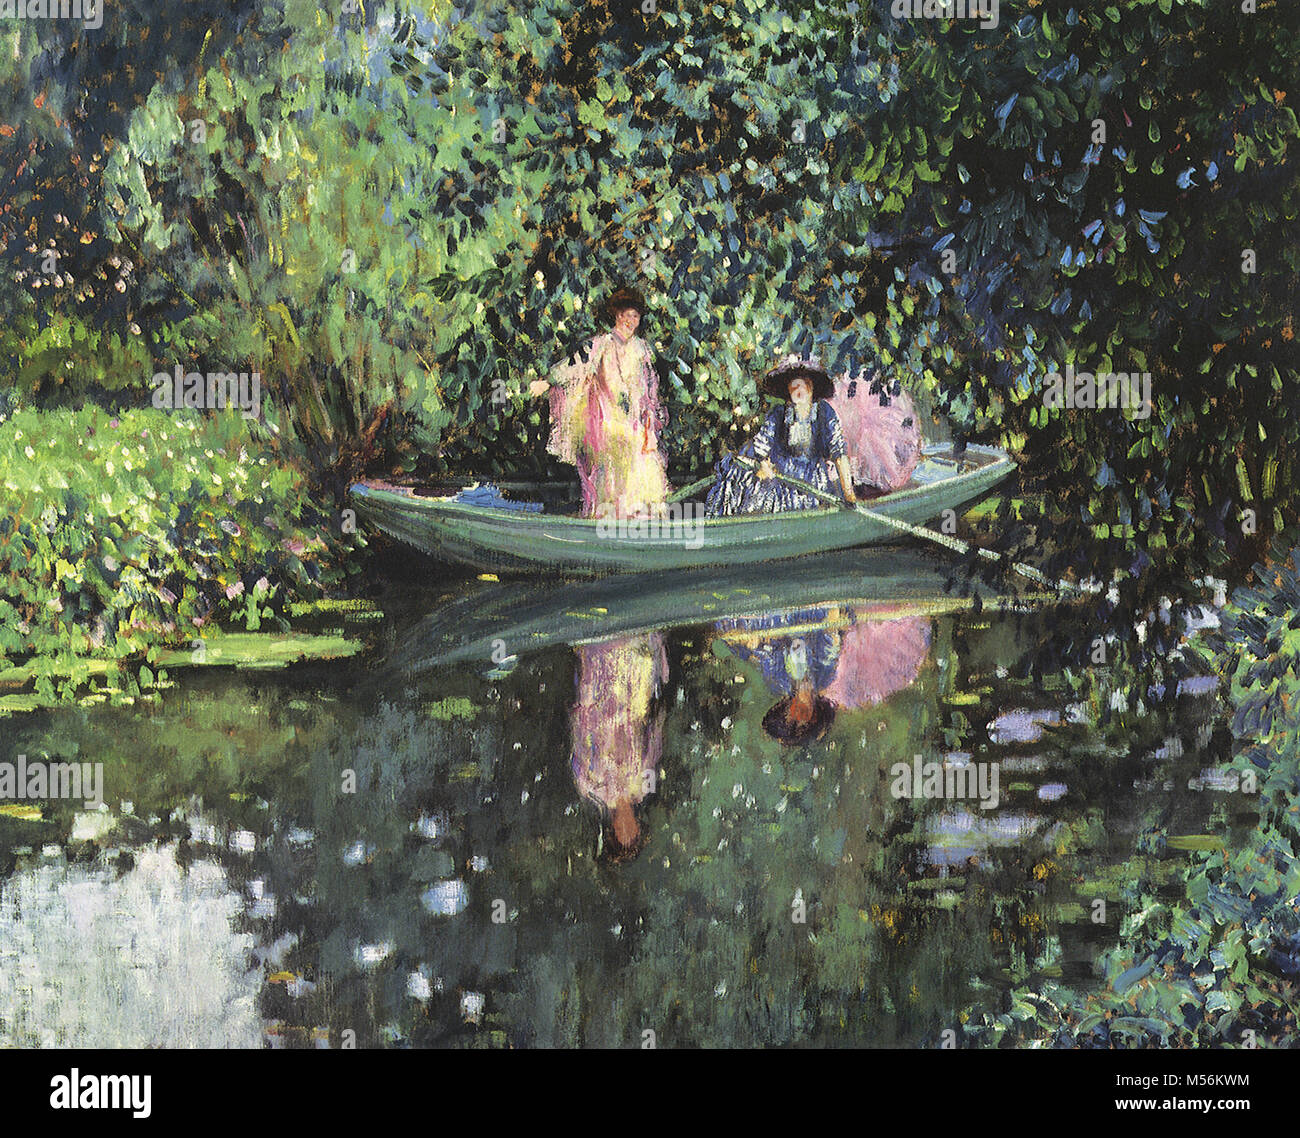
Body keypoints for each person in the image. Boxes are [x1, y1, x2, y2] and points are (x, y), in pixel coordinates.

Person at [529, 287, 668, 520]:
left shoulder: (641, 349)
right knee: (616, 453)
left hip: (633, 419)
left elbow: (648, 388)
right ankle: (610, 515)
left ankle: (639, 517)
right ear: (616, 315)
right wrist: (547, 382)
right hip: (606, 420)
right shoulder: (601, 344)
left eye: (635, 316)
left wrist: (648, 417)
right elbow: (572, 366)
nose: (629, 321)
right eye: (625, 315)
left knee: (644, 456)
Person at [705, 356, 857, 516]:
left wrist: (848, 493)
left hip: (814, 483)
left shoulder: (824, 413)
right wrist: (763, 465)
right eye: (793, 386)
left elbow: (839, 453)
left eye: (802, 385)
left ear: (811, 387)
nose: (797, 391)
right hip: (782, 482)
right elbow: (761, 446)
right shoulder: (779, 414)